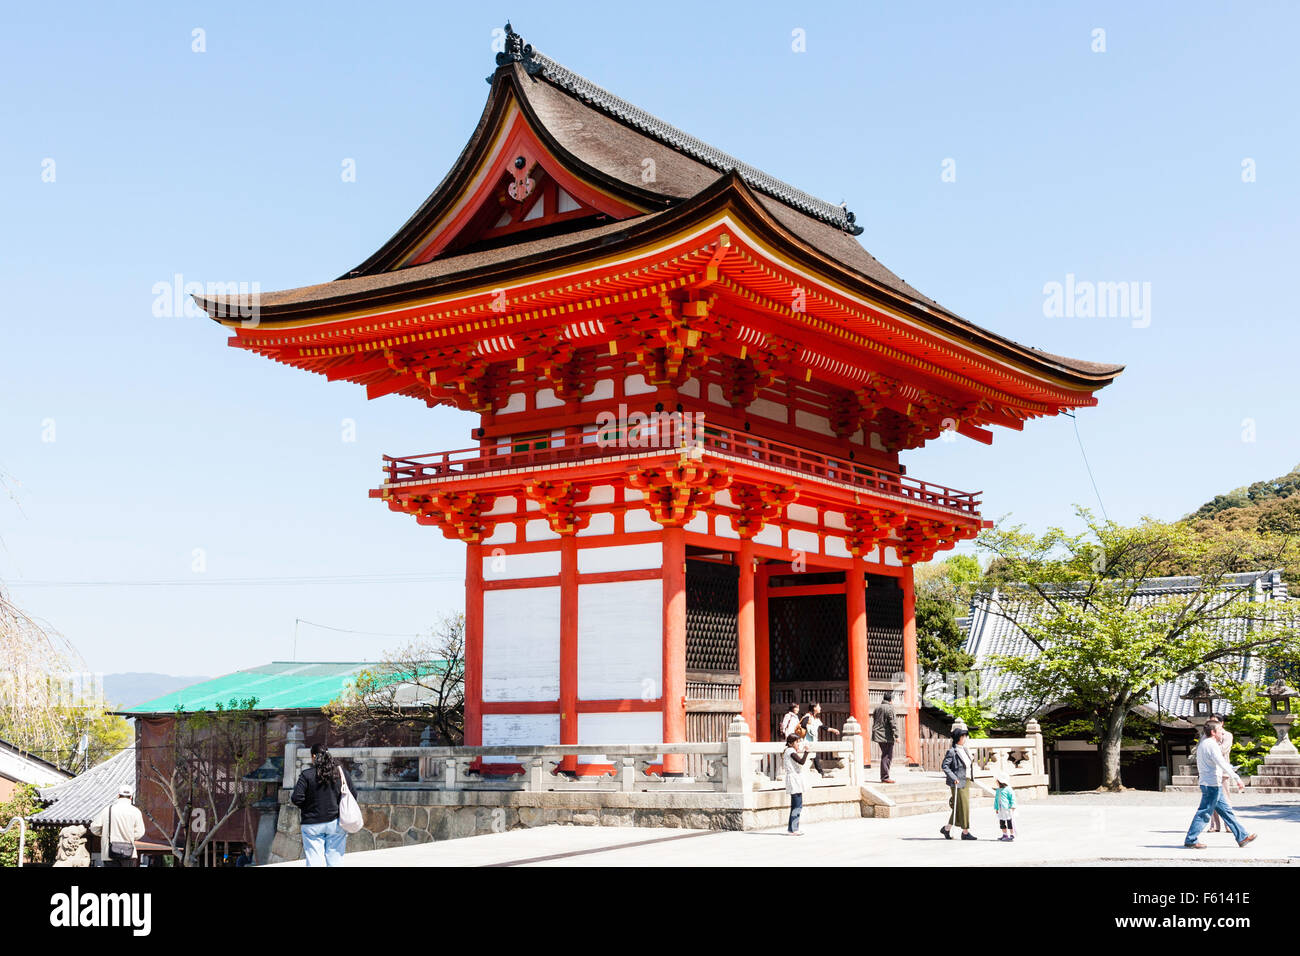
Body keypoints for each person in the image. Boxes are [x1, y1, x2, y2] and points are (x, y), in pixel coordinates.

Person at [1185, 720, 1256, 849]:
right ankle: (1191, 839)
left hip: (1210, 782)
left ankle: (1242, 836)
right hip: (1211, 784)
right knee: (1204, 812)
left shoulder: (1204, 743)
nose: (1222, 733)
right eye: (1220, 731)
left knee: (1226, 812)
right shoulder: (1211, 745)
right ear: (1213, 732)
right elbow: (1221, 763)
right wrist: (1237, 778)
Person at [291, 744, 361, 866]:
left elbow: (296, 798)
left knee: (314, 860)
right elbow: (353, 794)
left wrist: (308, 808)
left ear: (313, 757)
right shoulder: (341, 773)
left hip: (311, 823)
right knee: (335, 861)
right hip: (336, 822)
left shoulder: (306, 775)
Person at [89, 784, 146, 868]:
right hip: (128, 852)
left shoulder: (108, 809)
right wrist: (130, 836)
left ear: (118, 796)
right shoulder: (135, 811)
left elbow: (94, 828)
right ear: (131, 797)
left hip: (109, 852)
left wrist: (105, 834)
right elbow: (140, 832)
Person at [940, 730, 977, 840]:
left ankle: (946, 829)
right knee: (964, 807)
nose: (965, 738)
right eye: (963, 736)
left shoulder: (965, 750)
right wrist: (954, 777)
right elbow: (945, 766)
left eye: (965, 736)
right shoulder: (952, 751)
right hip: (958, 782)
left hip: (967, 780)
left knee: (958, 807)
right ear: (958, 738)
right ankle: (965, 832)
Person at [1208, 714, 1235, 833]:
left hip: (1223, 770)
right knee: (1212, 799)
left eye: (1215, 721)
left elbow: (1224, 749)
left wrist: (1211, 747)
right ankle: (1214, 825)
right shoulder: (1207, 736)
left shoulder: (1227, 735)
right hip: (1211, 770)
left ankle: (1228, 824)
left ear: (1221, 723)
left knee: (1225, 798)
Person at [783, 733, 812, 835]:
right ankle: (794, 829)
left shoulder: (789, 751)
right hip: (794, 780)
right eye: (797, 742)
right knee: (797, 805)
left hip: (794, 779)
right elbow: (801, 762)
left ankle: (792, 828)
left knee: (796, 805)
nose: (798, 744)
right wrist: (806, 752)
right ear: (791, 743)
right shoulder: (790, 751)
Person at [799, 702, 840, 773]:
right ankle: (820, 772)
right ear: (814, 708)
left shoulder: (816, 718)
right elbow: (802, 725)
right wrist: (809, 727)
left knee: (815, 756)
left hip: (813, 741)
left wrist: (833, 730)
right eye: (819, 706)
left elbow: (824, 727)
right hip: (806, 741)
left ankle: (820, 772)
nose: (820, 708)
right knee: (810, 757)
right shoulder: (808, 716)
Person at [872, 692, 899, 783]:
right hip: (886, 735)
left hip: (877, 733)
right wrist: (896, 735)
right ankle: (885, 777)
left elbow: (875, 719)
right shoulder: (890, 708)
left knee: (885, 754)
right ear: (891, 700)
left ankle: (884, 776)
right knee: (887, 756)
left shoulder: (877, 708)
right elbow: (893, 723)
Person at [993, 771, 1016, 841]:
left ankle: (1012, 834)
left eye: (996, 780)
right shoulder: (998, 790)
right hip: (1000, 809)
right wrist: (996, 808)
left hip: (1007, 808)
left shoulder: (1008, 789)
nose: (996, 782)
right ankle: (1005, 834)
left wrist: (1013, 805)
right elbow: (996, 800)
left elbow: (1012, 798)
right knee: (1002, 822)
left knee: (1009, 821)